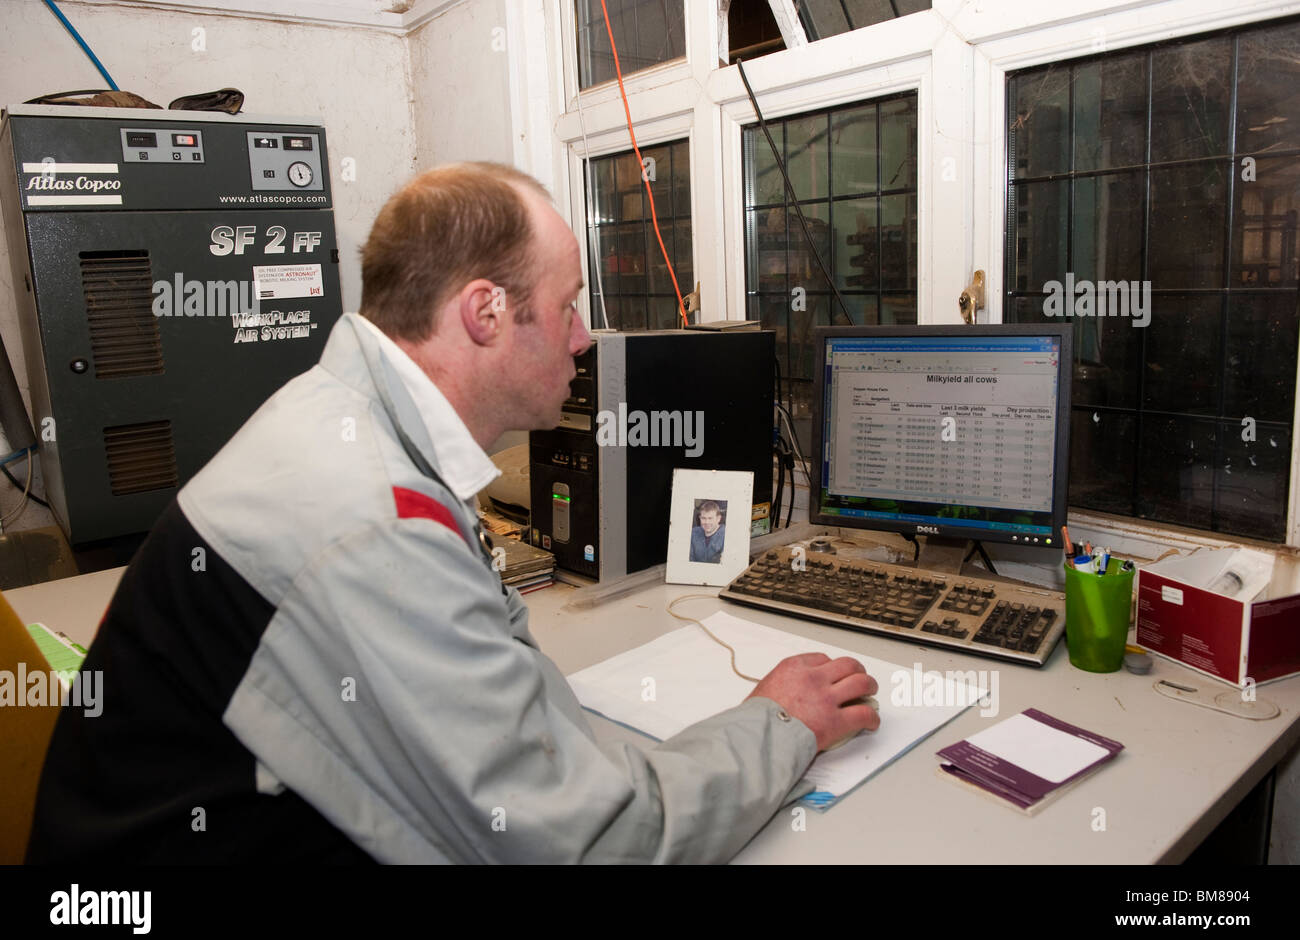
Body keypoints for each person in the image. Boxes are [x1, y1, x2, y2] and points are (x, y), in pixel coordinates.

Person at [26, 162, 879, 864]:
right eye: (570, 303)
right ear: (485, 312)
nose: (584, 338)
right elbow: (589, 843)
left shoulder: (342, 417)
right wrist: (778, 727)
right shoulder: (372, 520)